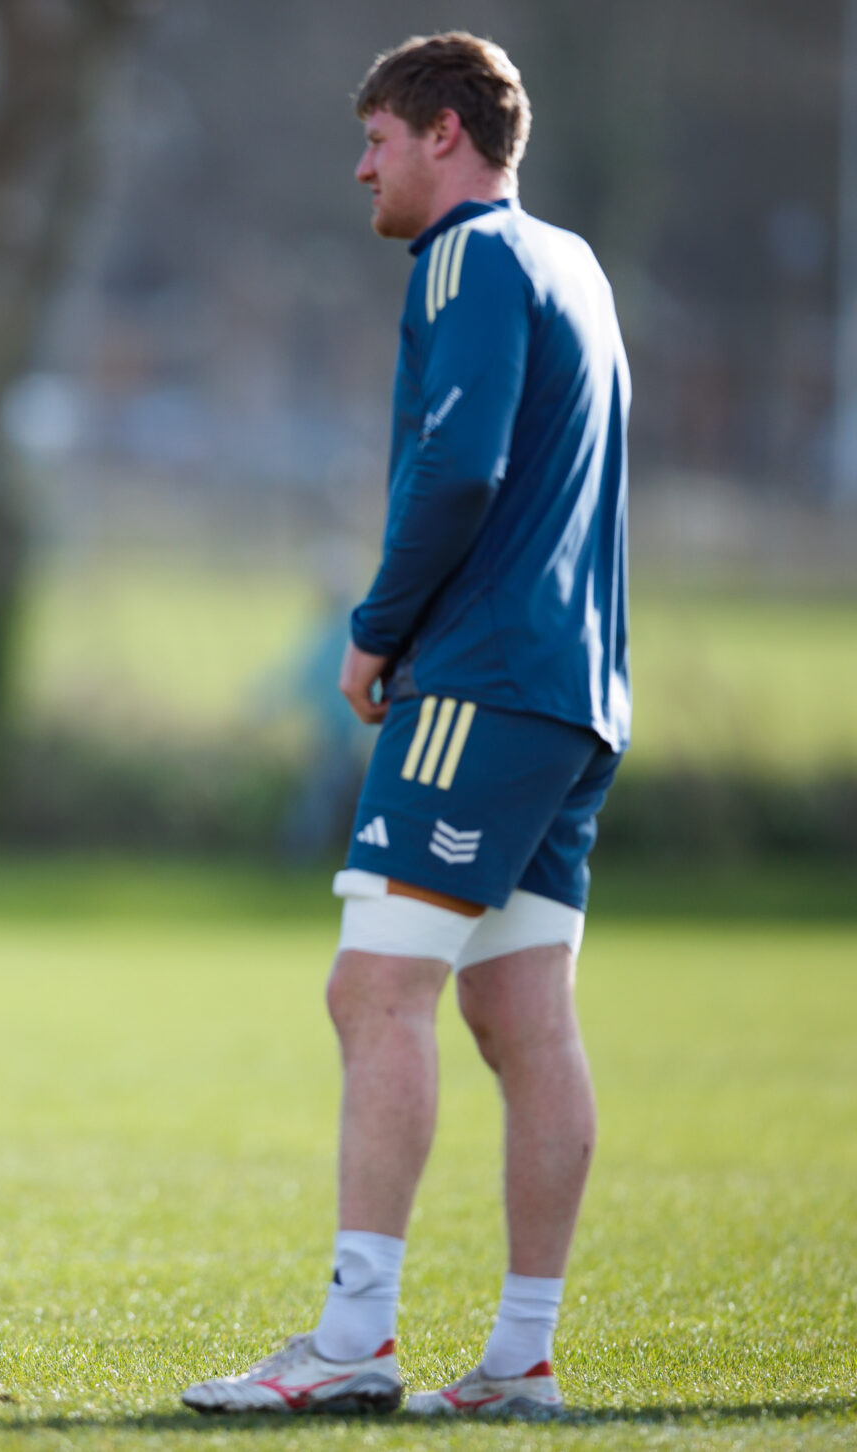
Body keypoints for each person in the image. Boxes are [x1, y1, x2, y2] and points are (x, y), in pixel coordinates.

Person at [183, 33, 630, 1420]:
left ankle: (354, 1343)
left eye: (375, 137)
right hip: (576, 693)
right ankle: (521, 1359)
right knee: (521, 1013)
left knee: (374, 989)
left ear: (445, 132)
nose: (359, 165)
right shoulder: (579, 264)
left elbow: (459, 465)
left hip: (480, 686)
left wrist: (376, 629)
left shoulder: (472, 255)